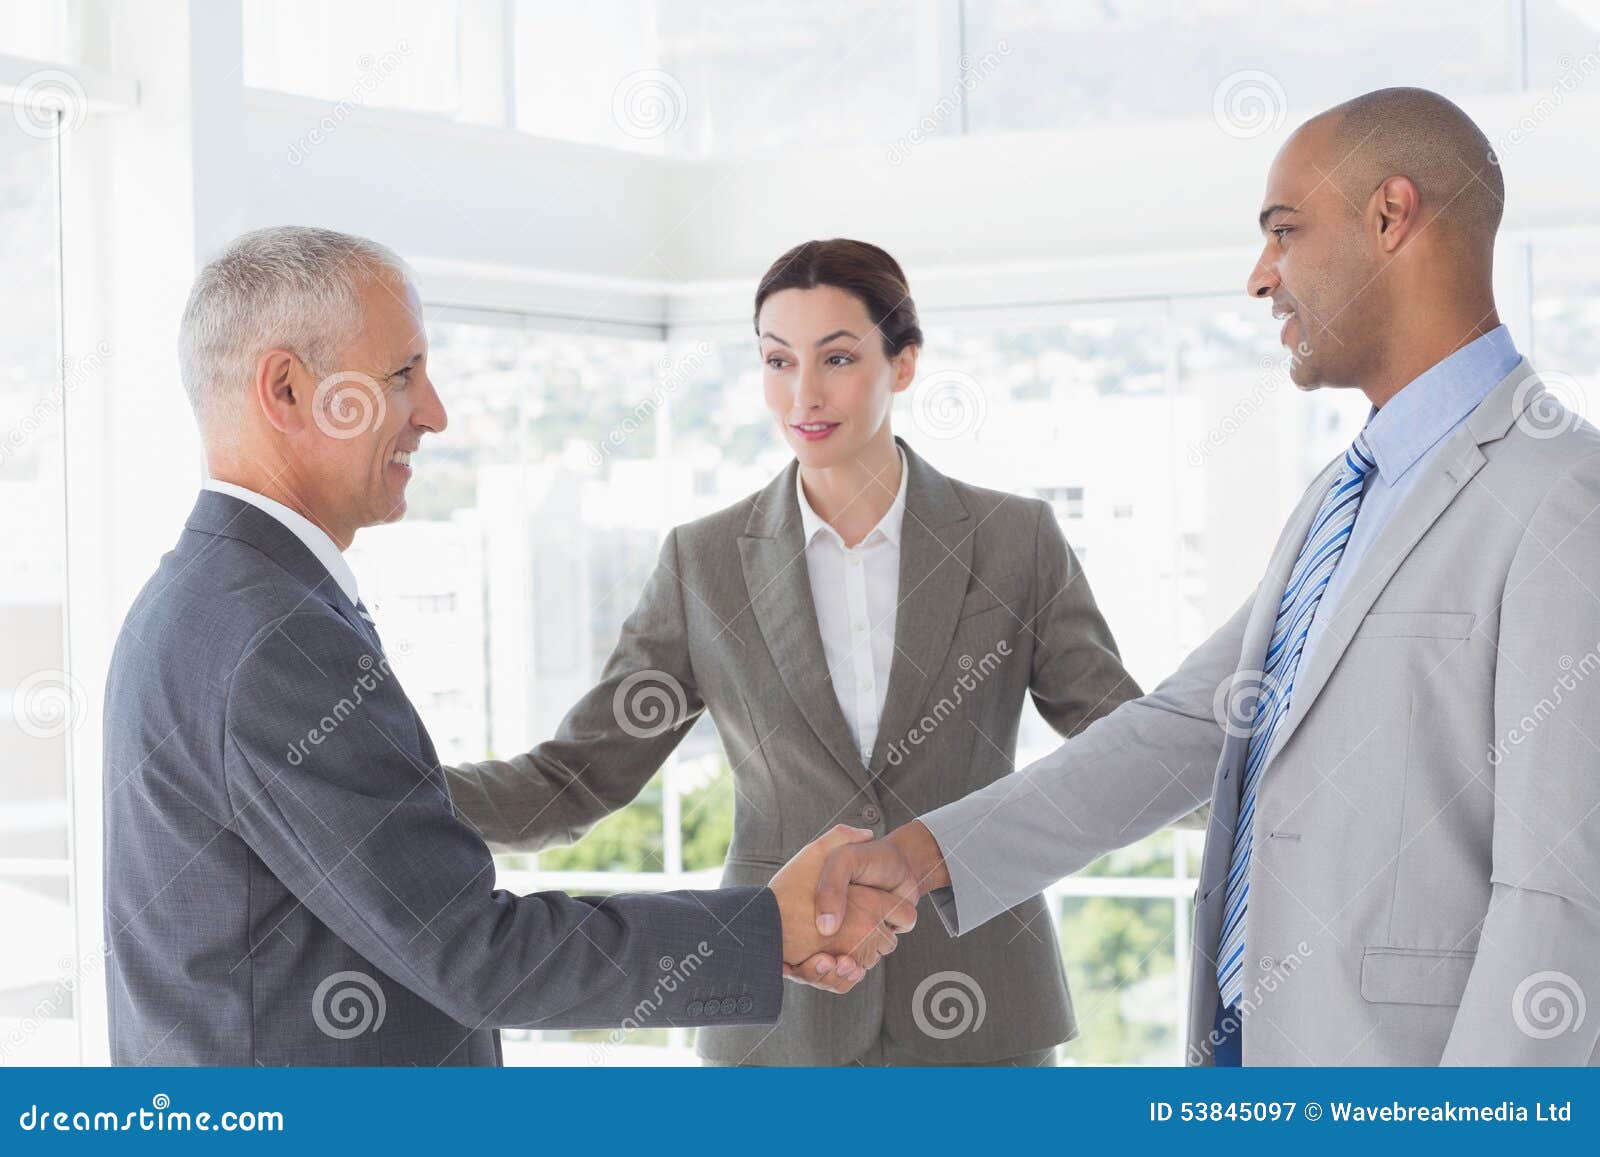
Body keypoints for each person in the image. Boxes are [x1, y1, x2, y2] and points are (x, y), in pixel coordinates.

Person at [812, 88, 1600, 1066]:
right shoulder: (1343, 493)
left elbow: (1561, 895)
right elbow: (1186, 726)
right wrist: (919, 855)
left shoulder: (1564, 492)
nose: (1261, 275)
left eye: (1284, 231)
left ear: (1391, 216)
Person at [101, 226, 915, 1066]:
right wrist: (763, 924)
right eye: (402, 375)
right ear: (286, 389)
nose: (435, 412)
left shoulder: (204, 600)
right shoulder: (276, 635)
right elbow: (476, 952)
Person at [446, 238, 1140, 1066]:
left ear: (904, 362)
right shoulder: (702, 562)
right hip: (776, 1019)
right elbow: (576, 778)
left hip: (985, 1000)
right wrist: (380, 793)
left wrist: (1264, 755)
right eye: (777, 361)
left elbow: (1125, 747)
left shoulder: (1014, 541)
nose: (803, 394)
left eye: (837, 358)